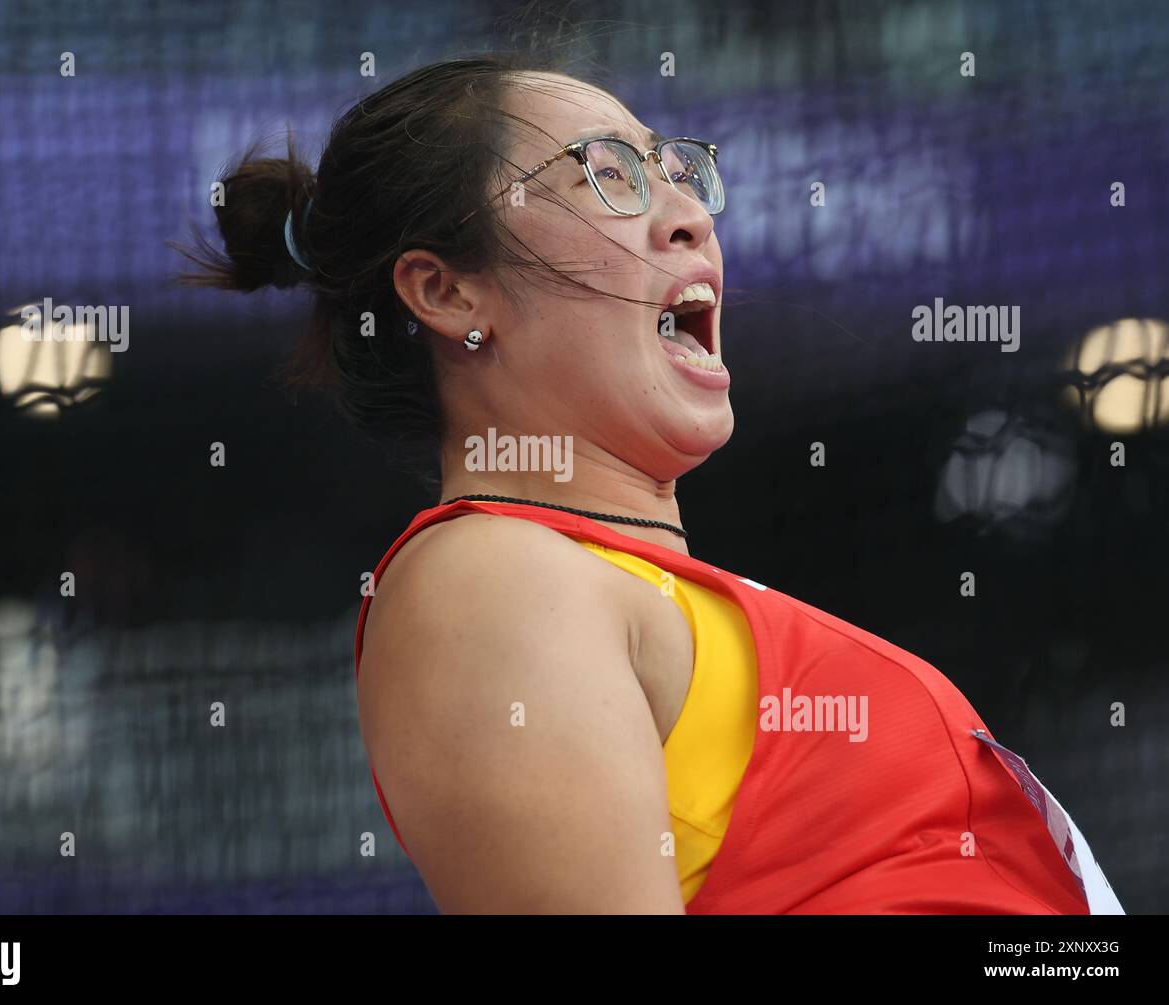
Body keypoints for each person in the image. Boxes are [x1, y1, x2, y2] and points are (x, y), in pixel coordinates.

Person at [176, 52, 1122, 915]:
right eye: (610, 174)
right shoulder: (488, 580)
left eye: (676, 172)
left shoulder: (638, 596)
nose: (689, 215)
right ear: (448, 292)